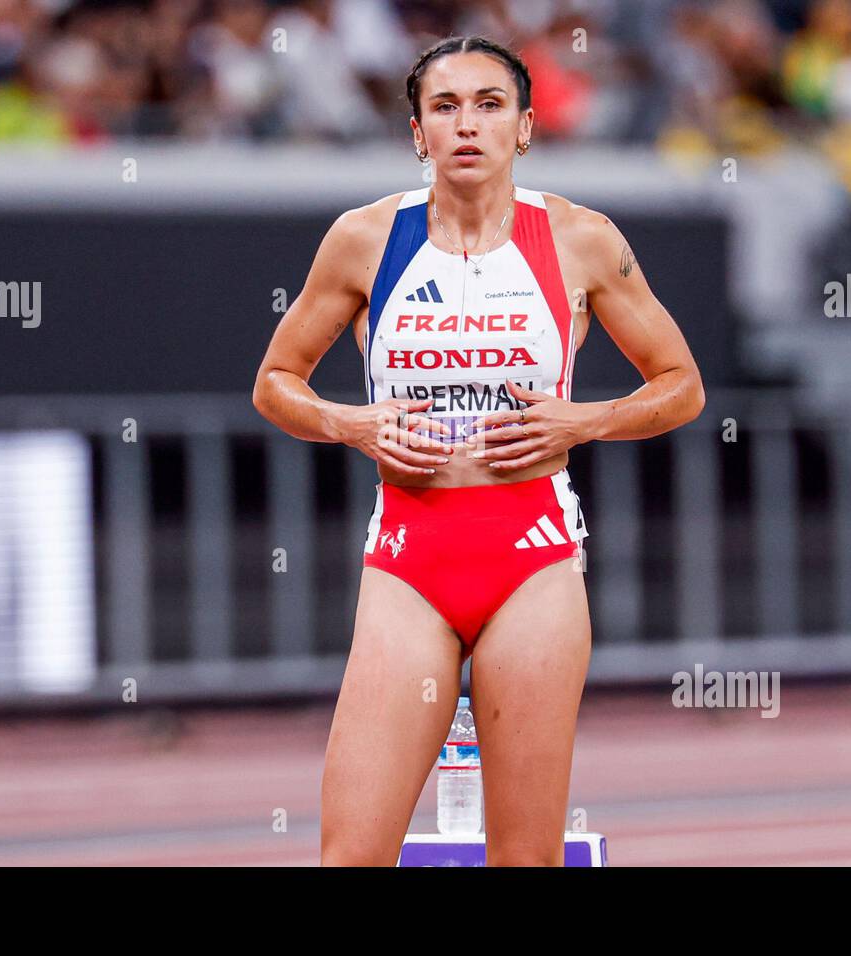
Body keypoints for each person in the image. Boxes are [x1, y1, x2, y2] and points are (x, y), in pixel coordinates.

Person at [252, 35, 705, 866]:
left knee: (523, 858)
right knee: (349, 856)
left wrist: (585, 421)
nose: (468, 125)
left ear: (525, 128)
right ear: (419, 133)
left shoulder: (582, 239)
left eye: (490, 105)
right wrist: (352, 425)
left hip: (530, 552)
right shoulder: (362, 239)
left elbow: (681, 385)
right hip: (408, 553)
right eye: (445, 107)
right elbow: (276, 382)